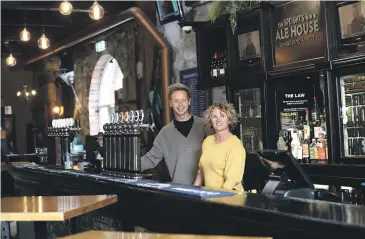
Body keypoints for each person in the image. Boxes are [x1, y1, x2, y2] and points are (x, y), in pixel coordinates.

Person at [141, 83, 211, 185]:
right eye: (176, 101)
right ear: (170, 103)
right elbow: (150, 159)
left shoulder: (204, 126)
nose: (180, 104)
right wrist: (125, 165)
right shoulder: (165, 133)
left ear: (189, 102)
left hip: (205, 191)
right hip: (180, 192)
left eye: (183, 100)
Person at [194, 102, 246, 192]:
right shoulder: (207, 141)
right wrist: (192, 191)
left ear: (229, 120)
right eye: (214, 116)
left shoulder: (235, 145)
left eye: (222, 116)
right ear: (211, 120)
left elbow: (231, 181)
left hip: (230, 197)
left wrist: (217, 198)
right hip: (210, 195)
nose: (218, 120)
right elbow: (201, 170)